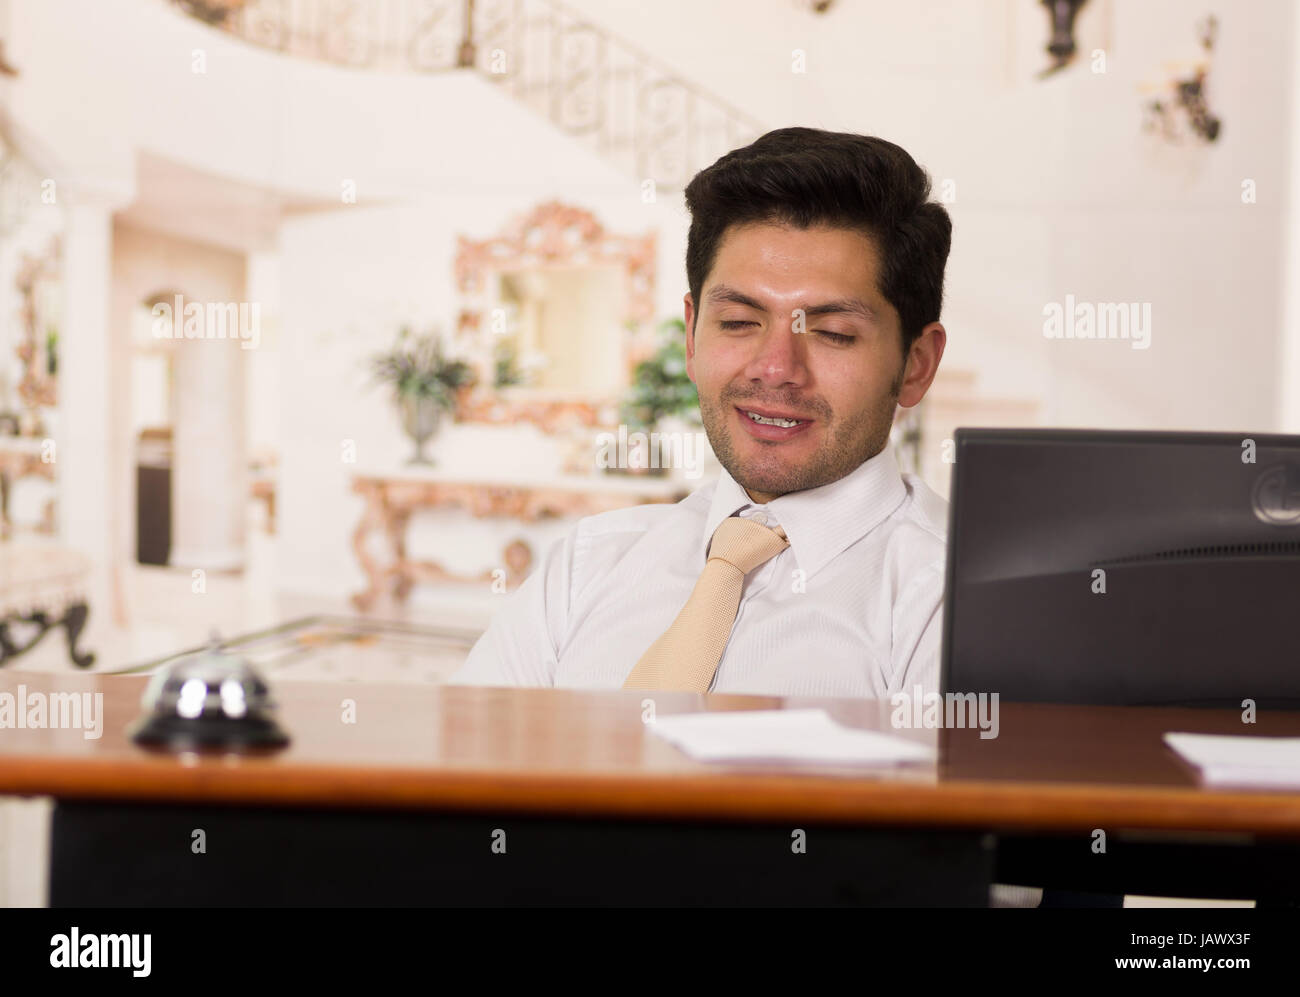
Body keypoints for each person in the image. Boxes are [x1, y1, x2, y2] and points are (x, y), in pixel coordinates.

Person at [448, 126, 951, 697]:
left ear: (916, 364)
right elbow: (461, 770)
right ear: (691, 335)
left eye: (833, 332)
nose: (775, 367)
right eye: (738, 322)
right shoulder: (585, 567)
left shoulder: (951, 601)